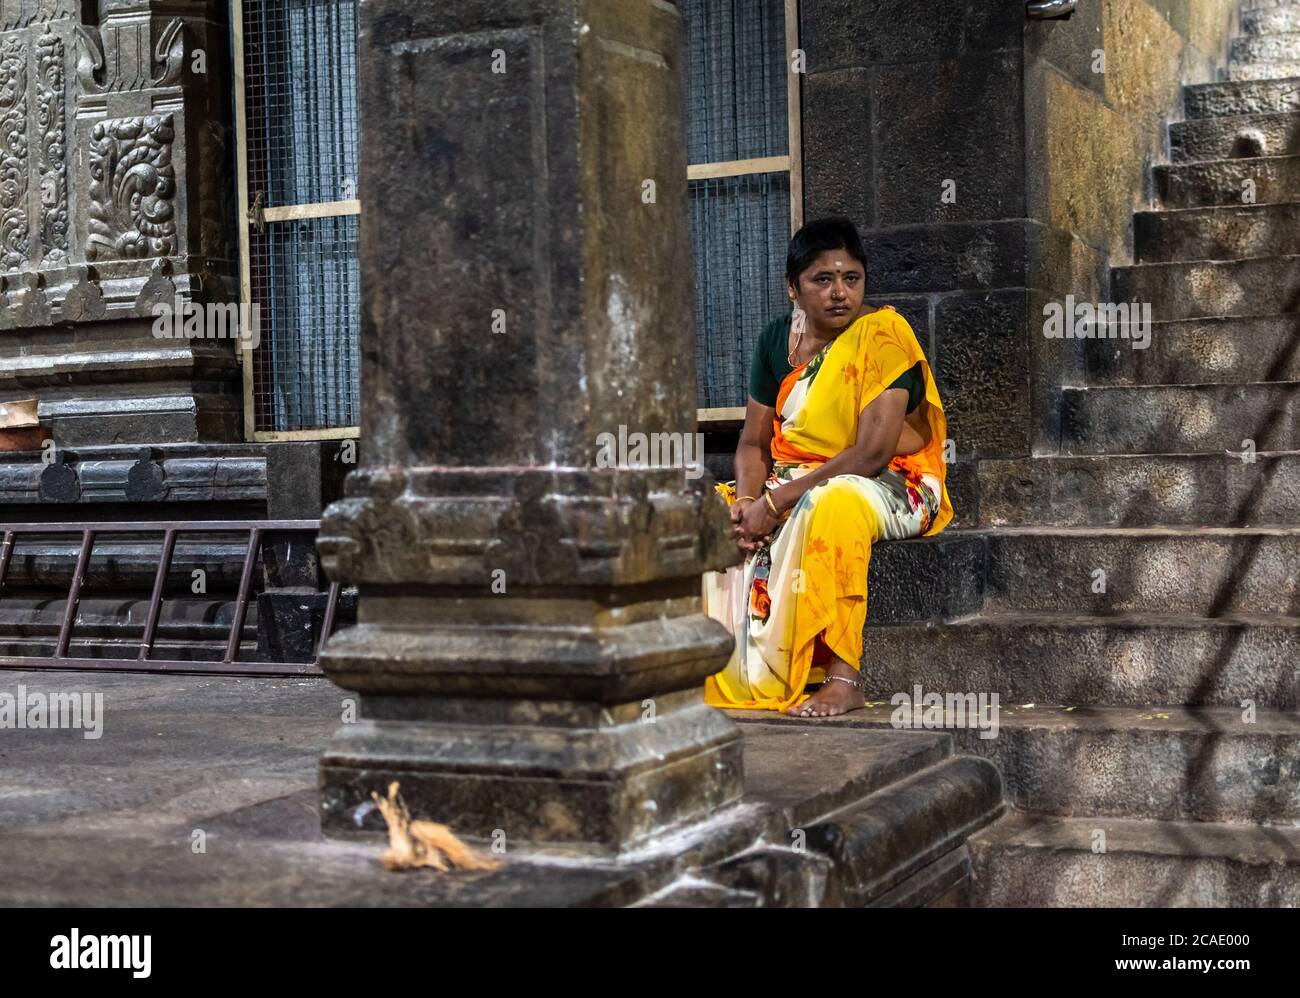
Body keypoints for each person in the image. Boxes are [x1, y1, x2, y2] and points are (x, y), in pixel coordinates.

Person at [703, 217, 953, 718]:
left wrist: (775, 503)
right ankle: (709, 662)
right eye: (823, 280)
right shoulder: (777, 340)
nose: (840, 293)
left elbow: (869, 455)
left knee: (831, 502)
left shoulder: (883, 335)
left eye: (851, 278)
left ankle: (843, 677)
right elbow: (752, 443)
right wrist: (749, 502)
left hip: (894, 482)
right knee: (706, 510)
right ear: (792, 288)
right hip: (791, 478)